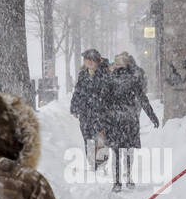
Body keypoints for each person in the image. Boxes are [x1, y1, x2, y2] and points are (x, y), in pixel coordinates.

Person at [101, 52, 160, 191]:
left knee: (115, 152)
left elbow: (103, 103)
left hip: (114, 120)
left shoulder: (109, 80)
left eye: (115, 63)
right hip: (129, 119)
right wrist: (153, 116)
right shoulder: (133, 80)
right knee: (128, 151)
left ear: (117, 65)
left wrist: (102, 121)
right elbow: (143, 99)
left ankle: (117, 182)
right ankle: (128, 178)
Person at [69, 49, 110, 169]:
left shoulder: (104, 74)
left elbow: (109, 93)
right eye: (87, 60)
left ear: (97, 61)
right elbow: (77, 92)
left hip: (100, 113)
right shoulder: (82, 74)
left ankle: (101, 163)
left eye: (92, 60)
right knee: (88, 138)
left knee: (100, 138)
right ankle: (92, 163)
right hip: (85, 112)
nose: (89, 62)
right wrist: (74, 108)